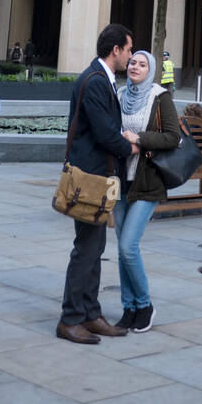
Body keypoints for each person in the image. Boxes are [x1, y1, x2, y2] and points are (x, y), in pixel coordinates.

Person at [57, 23, 137, 344]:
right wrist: (130, 146)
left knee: (96, 247)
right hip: (90, 176)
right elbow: (105, 133)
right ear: (115, 50)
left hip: (101, 176)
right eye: (129, 50)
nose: (131, 57)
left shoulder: (102, 78)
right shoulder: (93, 81)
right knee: (86, 249)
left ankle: (90, 314)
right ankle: (70, 319)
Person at [112, 49, 180, 332]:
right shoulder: (119, 95)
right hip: (120, 181)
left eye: (141, 64)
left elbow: (173, 136)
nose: (135, 67)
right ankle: (128, 308)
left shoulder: (159, 97)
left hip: (147, 181)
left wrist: (139, 139)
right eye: (132, 63)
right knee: (121, 249)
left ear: (150, 69)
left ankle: (145, 304)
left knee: (129, 246)